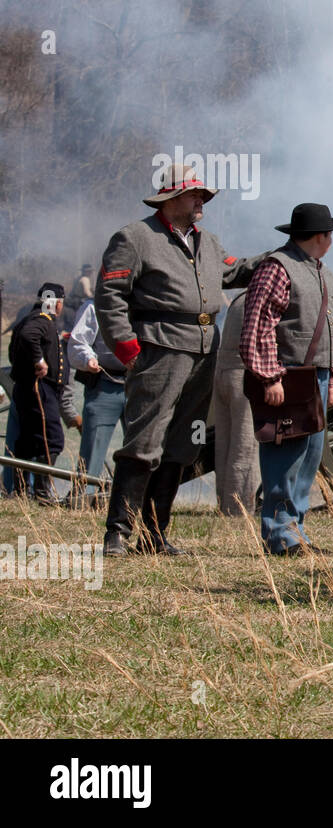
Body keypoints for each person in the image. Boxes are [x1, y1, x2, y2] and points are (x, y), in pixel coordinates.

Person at [96, 163, 267, 556]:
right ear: (171, 198)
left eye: (203, 196)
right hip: (158, 350)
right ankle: (117, 534)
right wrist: (128, 349)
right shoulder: (135, 237)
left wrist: (281, 258)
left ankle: (154, 536)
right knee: (143, 442)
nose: (201, 201)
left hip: (204, 353)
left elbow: (235, 271)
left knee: (182, 447)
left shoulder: (208, 242)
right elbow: (110, 297)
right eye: (195, 195)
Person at [241, 203, 333, 556]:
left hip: (315, 378)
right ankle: (280, 537)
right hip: (286, 379)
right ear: (322, 236)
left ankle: (296, 533)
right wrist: (269, 377)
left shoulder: (323, 273)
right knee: (284, 460)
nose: (332, 239)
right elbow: (258, 325)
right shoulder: (277, 268)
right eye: (330, 233)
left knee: (309, 459)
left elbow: (330, 330)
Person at [8, 284, 68, 503]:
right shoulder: (41, 319)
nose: (61, 306)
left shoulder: (35, 317)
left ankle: (22, 493)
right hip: (38, 389)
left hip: (33, 388)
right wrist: (38, 360)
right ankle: (42, 494)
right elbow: (28, 336)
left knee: (28, 442)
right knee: (52, 441)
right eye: (61, 301)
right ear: (55, 302)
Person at [67, 298, 128, 506]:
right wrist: (88, 359)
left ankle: (131, 500)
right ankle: (83, 499)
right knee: (93, 446)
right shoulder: (94, 306)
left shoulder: (148, 303)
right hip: (104, 382)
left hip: (139, 384)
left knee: (141, 447)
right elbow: (78, 341)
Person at [212, 291, 259, 517]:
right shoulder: (259, 297)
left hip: (224, 373)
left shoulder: (241, 298)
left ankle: (226, 504)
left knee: (226, 445)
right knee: (245, 446)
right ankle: (240, 509)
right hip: (244, 376)